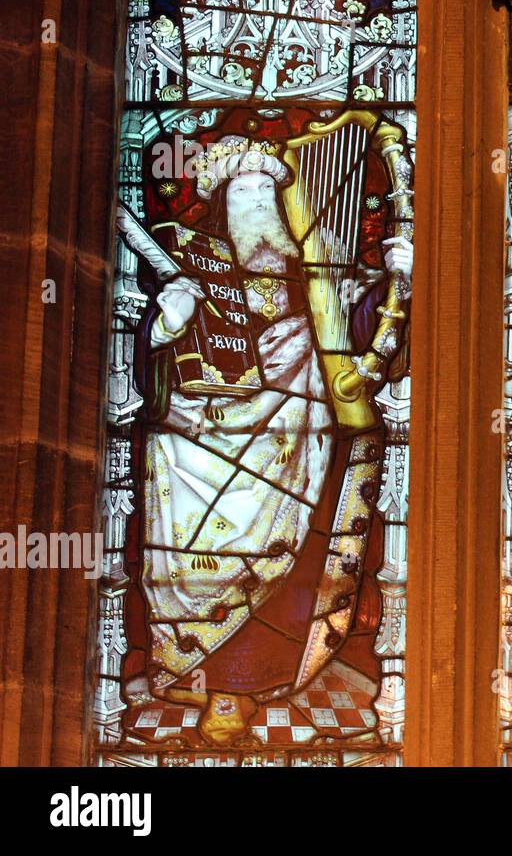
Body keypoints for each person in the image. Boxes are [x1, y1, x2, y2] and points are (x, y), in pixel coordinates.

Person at [139, 135, 411, 743]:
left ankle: (254, 677)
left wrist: (396, 283)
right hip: (198, 439)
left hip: (293, 437)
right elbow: (146, 372)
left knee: (292, 542)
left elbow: (355, 342)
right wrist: (166, 325)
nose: (259, 202)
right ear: (220, 205)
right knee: (199, 533)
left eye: (269, 190)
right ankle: (206, 674)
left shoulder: (315, 274)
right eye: (244, 191)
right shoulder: (189, 268)